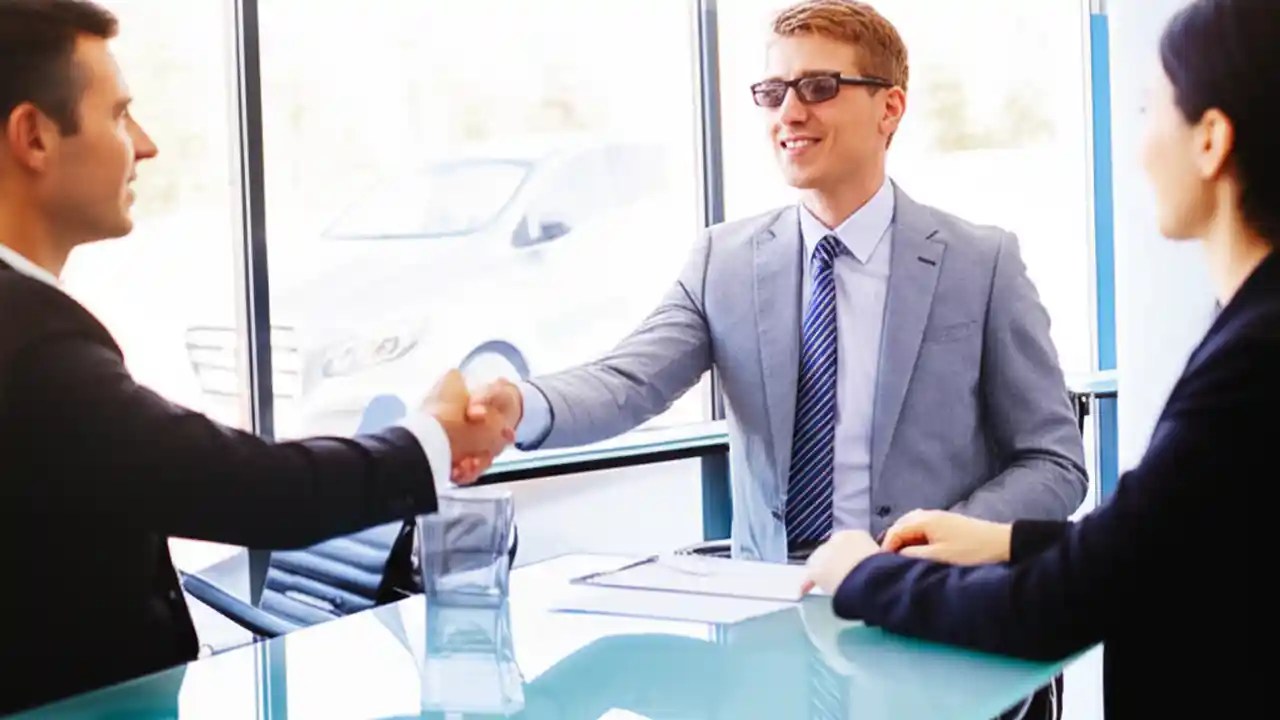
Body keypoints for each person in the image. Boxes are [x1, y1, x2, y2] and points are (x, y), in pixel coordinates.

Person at [0, 1, 513, 712]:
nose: (144, 145)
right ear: (33, 136)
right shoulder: (33, 345)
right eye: (119, 114)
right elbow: (249, 490)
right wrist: (436, 435)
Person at [468, 0, 1086, 562]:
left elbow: (1053, 461)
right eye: (772, 91)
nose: (790, 112)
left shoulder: (982, 263)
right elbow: (627, 381)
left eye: (819, 87)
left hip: (928, 598)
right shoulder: (724, 261)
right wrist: (522, 406)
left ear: (889, 107)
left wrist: (954, 537)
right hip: (768, 604)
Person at [802, 1, 1277, 716]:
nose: (1140, 144)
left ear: (1211, 140)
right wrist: (1005, 540)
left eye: (1152, 107)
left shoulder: (1254, 359)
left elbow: (1059, 606)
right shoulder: (1251, 327)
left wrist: (866, 575)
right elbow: (1174, 538)